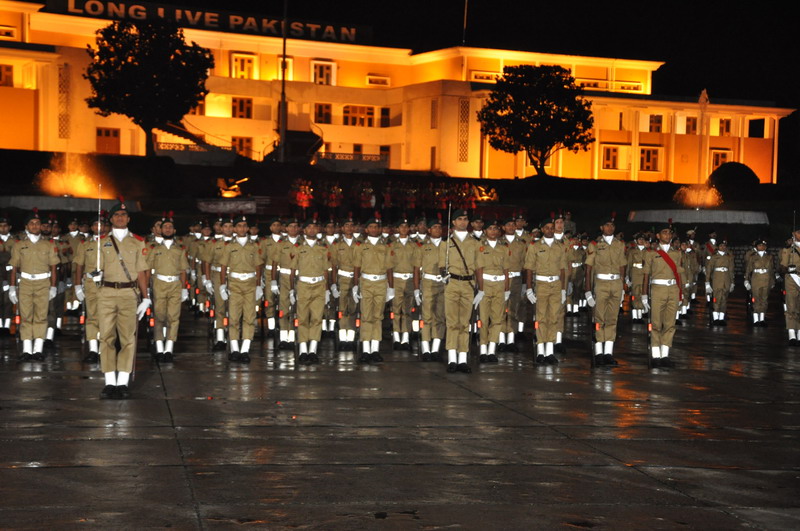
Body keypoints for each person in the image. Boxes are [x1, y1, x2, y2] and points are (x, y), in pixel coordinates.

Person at [95, 200, 150, 399]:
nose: (120, 218)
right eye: (116, 215)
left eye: (123, 215)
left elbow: (142, 271)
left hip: (129, 293)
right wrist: (93, 276)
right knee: (106, 337)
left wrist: (146, 297)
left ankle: (123, 382)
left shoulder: (137, 241)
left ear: (129, 219)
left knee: (128, 338)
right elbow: (94, 268)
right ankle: (110, 381)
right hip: (107, 293)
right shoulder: (101, 241)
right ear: (110, 219)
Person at [8, 210, 60, 361]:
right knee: (25, 316)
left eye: (37, 223)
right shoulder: (19, 245)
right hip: (25, 283)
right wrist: (12, 288)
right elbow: (14, 267)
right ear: (27, 226)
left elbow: (53, 267)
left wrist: (53, 286)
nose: (35, 226)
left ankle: (38, 349)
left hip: (43, 283)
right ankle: (26, 350)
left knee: (41, 316)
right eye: (32, 223)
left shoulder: (48, 245)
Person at [219, 215, 264, 363]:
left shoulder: (254, 245)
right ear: (234, 228)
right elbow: (223, 266)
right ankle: (234, 349)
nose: (242, 228)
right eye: (239, 226)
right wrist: (222, 285)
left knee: (249, 317)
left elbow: (258, 266)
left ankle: (245, 349)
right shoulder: (229, 246)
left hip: (250, 283)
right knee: (233, 317)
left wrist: (259, 285)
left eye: (245, 225)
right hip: (235, 283)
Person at [146, 214, 190, 362]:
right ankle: (159, 347)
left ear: (174, 230)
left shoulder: (180, 249)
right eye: (165, 227)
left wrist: (184, 288)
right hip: (159, 283)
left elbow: (184, 270)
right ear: (160, 229)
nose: (168, 229)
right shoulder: (154, 248)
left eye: (170, 227)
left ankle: (169, 348)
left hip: (175, 285)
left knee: (173, 317)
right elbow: (147, 269)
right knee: (159, 316)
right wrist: (146, 288)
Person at [441, 209, 480, 373]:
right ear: (454, 222)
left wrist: (480, 289)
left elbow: (479, 267)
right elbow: (441, 264)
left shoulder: (476, 243)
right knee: (452, 322)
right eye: (460, 219)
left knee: (465, 323)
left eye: (465, 219)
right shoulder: (446, 243)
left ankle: (463, 358)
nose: (463, 222)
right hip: (452, 283)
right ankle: (452, 358)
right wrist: (443, 275)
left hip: (468, 284)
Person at [584, 216, 627, 366]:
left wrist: (622, 287)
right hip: (601, 283)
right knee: (599, 319)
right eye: (607, 225)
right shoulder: (595, 245)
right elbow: (588, 269)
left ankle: (608, 352)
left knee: (612, 319)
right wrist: (588, 291)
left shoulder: (620, 244)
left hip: (616, 283)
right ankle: (598, 352)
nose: (610, 228)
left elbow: (622, 265)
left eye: (612, 225)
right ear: (601, 228)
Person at [642, 222, 685, 368]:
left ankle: (665, 355)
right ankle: (655, 355)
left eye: (669, 232)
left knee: (670, 323)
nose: (668, 235)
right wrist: (643, 294)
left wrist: (681, 293)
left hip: (672, 289)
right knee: (655, 323)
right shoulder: (651, 254)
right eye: (664, 232)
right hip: (657, 289)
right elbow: (646, 275)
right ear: (658, 236)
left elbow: (679, 275)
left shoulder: (677, 253)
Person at [524, 217, 566, 365]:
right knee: (541, 318)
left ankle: (550, 351)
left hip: (555, 284)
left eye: (551, 227)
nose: (549, 230)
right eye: (547, 228)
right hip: (541, 284)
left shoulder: (560, 247)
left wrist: (563, 289)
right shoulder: (534, 246)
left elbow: (562, 270)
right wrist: (529, 288)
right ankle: (540, 350)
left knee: (553, 318)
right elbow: (529, 268)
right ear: (542, 229)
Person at [352, 214, 393, 362]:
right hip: (366, 283)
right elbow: (356, 267)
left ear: (380, 229)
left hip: (381, 283)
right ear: (367, 230)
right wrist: (356, 286)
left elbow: (389, 268)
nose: (374, 229)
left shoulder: (386, 246)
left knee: (378, 317)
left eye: (376, 227)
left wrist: (391, 287)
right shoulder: (361, 247)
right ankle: (365, 350)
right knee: (366, 316)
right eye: (371, 227)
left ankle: (375, 349)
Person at [290, 218, 332, 364]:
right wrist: (291, 290)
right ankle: (303, 350)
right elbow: (293, 270)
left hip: (319, 285)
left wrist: (327, 289)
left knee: (316, 318)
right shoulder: (297, 248)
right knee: (302, 318)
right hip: (303, 285)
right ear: (304, 231)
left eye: (315, 227)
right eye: (309, 227)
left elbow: (326, 270)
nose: (312, 230)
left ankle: (313, 350)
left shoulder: (323, 248)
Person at [72, 214, 108, 363]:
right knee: (92, 317)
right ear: (92, 227)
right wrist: (78, 286)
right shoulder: (84, 244)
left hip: (107, 282)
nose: (97, 227)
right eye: (95, 225)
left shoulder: (112, 243)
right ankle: (93, 349)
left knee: (107, 317)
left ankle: (105, 349)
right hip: (91, 283)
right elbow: (79, 265)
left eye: (100, 225)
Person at [475, 219, 509, 363]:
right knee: (483, 318)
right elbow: (478, 269)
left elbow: (506, 270)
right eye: (490, 228)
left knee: (497, 319)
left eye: (495, 228)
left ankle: (492, 349)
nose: (493, 231)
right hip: (486, 284)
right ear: (485, 231)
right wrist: (480, 289)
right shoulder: (480, 247)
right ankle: (483, 348)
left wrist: (507, 289)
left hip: (499, 285)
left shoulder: (504, 248)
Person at [415, 217, 446, 361]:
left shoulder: (447, 246)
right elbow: (416, 268)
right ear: (429, 230)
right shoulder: (422, 246)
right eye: (434, 227)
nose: (437, 230)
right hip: (428, 283)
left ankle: (436, 348)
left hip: (444, 284)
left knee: (440, 316)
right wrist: (416, 288)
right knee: (427, 317)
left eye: (440, 227)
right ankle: (426, 348)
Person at [389, 217, 418, 350]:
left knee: (408, 310)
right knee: (396, 310)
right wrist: (389, 285)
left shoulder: (414, 245)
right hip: (397, 279)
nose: (404, 229)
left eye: (406, 226)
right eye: (401, 226)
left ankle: (405, 337)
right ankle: (396, 336)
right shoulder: (392, 245)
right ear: (397, 229)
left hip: (410, 280)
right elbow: (388, 266)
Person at [501, 217, 527, 351]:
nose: (511, 227)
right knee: (500, 310)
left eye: (513, 225)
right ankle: (500, 340)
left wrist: (524, 284)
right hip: (501, 280)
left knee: (513, 309)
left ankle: (511, 339)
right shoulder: (498, 243)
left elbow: (524, 264)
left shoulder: (521, 244)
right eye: (508, 225)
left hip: (516, 279)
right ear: (503, 227)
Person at [744, 238, 774, 327]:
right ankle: (756, 319)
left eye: (764, 245)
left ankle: (762, 319)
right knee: (756, 299)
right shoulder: (752, 257)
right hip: (756, 279)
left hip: (766, 279)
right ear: (756, 247)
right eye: (760, 245)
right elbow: (748, 269)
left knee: (764, 299)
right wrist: (746, 280)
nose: (762, 247)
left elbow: (771, 270)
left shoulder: (769, 257)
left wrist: (772, 281)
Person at [779, 228, 800, 345]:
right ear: (793, 234)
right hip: (792, 279)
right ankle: (792, 334)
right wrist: (788, 269)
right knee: (791, 306)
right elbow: (782, 267)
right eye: (798, 232)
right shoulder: (788, 249)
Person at [706, 239, 734, 326]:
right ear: (718, 247)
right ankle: (715, 318)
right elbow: (709, 270)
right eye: (721, 245)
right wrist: (707, 282)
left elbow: (731, 270)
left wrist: (732, 282)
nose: (723, 247)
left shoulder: (729, 257)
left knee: (724, 299)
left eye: (724, 245)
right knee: (716, 299)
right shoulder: (714, 257)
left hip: (726, 280)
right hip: (717, 279)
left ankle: (721, 318)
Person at [626, 233, 649, 323]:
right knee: (635, 294)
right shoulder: (632, 251)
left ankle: (640, 316)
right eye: (639, 239)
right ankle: (635, 316)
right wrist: (627, 277)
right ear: (636, 240)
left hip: (644, 274)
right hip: (635, 273)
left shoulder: (647, 251)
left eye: (643, 239)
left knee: (642, 294)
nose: (641, 241)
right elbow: (628, 264)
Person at [0, 215, 15, 336]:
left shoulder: (15, 241)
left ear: (9, 227)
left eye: (5, 226)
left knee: (8, 301)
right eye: (0, 226)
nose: (3, 228)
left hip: (11, 274)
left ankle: (7, 326)